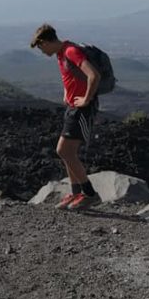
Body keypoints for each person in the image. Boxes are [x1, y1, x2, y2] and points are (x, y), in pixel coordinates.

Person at [30, 23, 100, 210]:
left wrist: (86, 99)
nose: (41, 51)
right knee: (67, 153)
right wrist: (67, 93)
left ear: (46, 41)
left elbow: (94, 75)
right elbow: (71, 77)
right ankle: (76, 193)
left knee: (64, 151)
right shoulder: (62, 54)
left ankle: (90, 194)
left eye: (41, 46)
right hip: (72, 107)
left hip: (81, 109)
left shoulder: (70, 51)